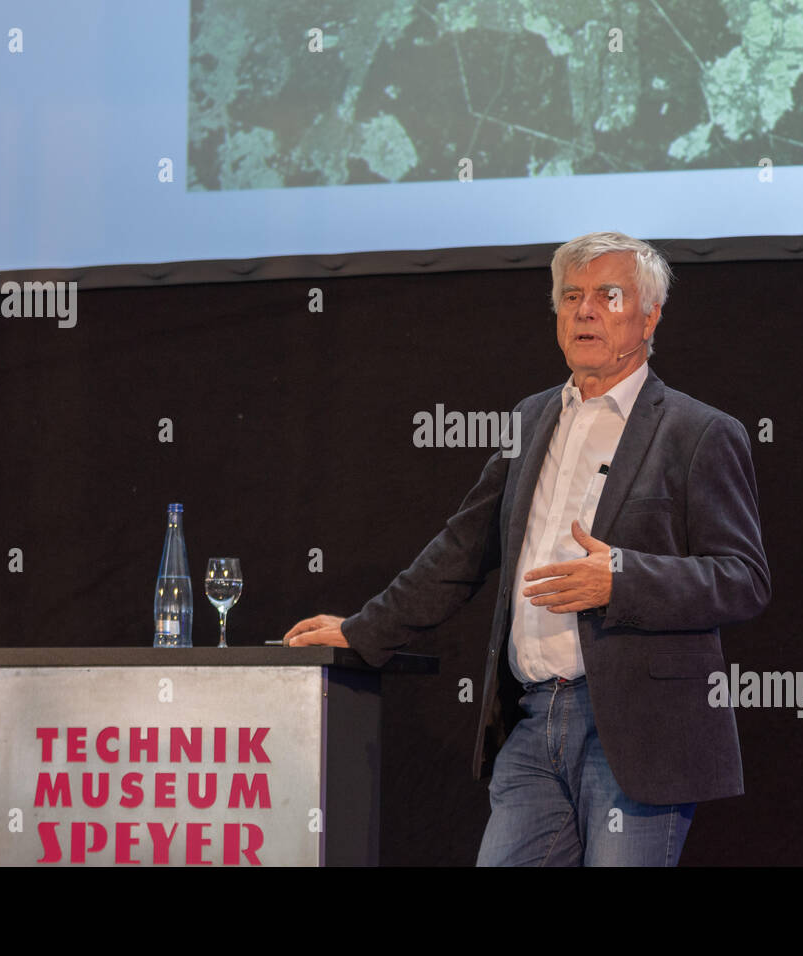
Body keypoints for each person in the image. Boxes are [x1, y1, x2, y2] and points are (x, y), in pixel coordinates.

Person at [284, 231, 771, 866]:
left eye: (608, 294)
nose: (585, 310)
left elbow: (743, 578)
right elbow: (463, 547)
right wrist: (362, 628)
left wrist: (621, 580)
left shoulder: (699, 432)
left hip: (635, 729)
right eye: (571, 296)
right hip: (532, 722)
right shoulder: (531, 419)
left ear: (650, 315)